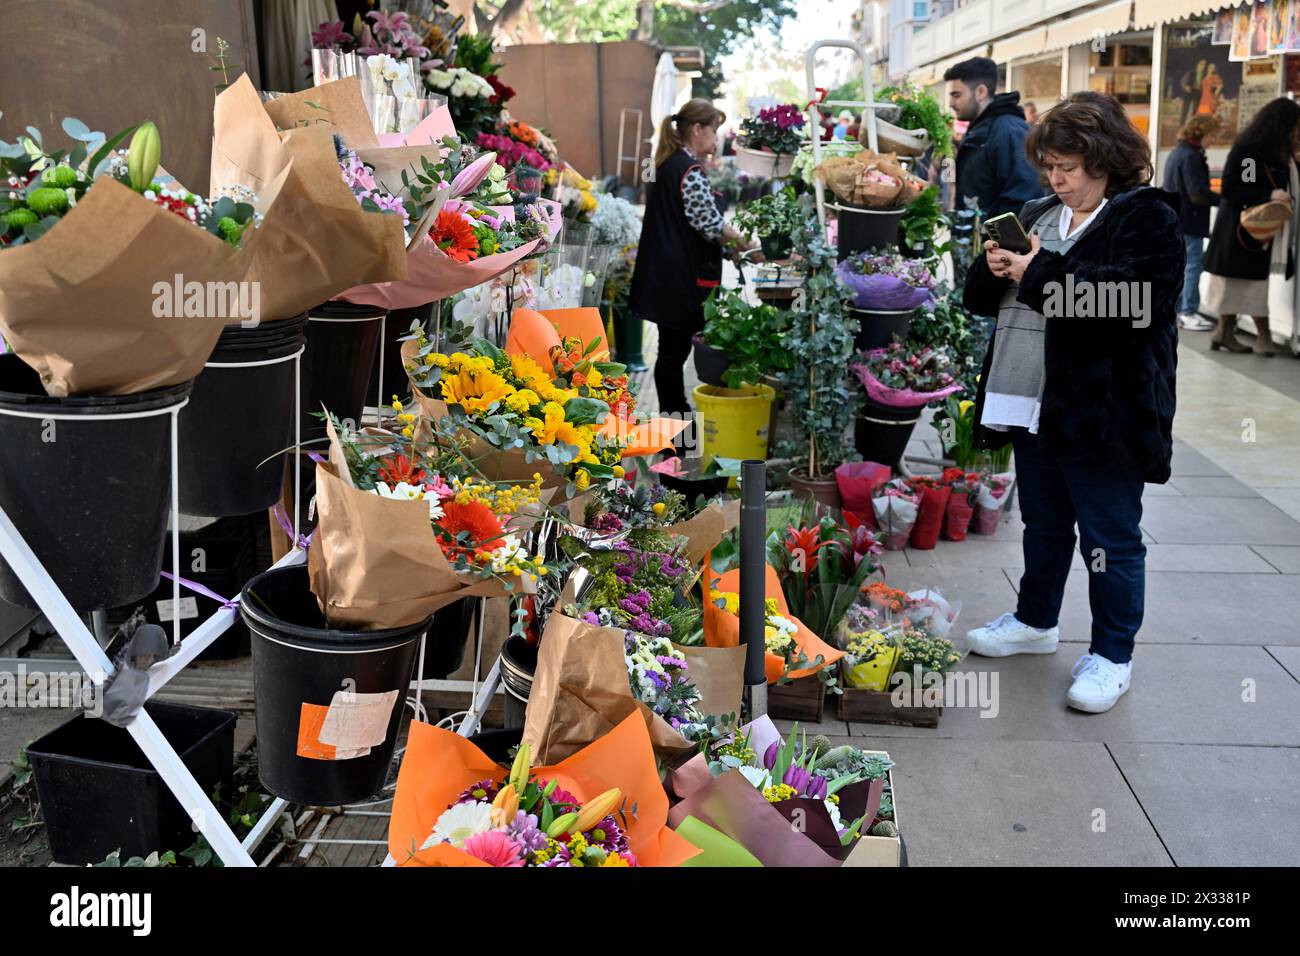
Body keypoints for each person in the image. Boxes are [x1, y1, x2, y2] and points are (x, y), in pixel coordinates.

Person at [962, 92, 1183, 714]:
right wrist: (995, 264)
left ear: (1106, 159)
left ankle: (1113, 656)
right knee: (1046, 523)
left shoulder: (1146, 217)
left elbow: (1131, 306)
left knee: (1109, 536)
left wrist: (1034, 274)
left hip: (1104, 414)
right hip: (1031, 401)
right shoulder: (1036, 210)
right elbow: (981, 301)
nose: (1057, 180)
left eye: (1069, 167)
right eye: (1050, 167)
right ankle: (1036, 622)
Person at [628, 99, 760, 415]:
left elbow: (691, 225)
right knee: (673, 356)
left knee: (670, 354)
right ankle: (677, 437)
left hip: (666, 278)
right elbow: (710, 224)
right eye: (714, 131)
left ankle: (676, 433)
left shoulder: (668, 164)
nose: (717, 140)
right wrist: (746, 243)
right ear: (697, 129)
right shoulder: (688, 169)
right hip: (678, 281)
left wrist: (729, 251)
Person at [1203, 96, 1300, 356]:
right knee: (1250, 285)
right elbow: (1235, 188)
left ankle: (1224, 332)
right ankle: (1262, 337)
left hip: (1252, 233)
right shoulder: (1250, 153)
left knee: (1239, 285)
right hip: (1243, 233)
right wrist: (1269, 195)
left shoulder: (1273, 152)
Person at [944, 56, 1043, 218]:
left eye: (956, 95)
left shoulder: (1010, 131)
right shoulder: (980, 127)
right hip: (975, 239)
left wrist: (997, 240)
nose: (951, 103)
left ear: (981, 92)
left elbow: (1024, 198)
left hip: (993, 241)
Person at [1162, 114, 1221, 331]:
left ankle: (1178, 312)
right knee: (1192, 267)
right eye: (1212, 135)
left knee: (1180, 268)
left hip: (1176, 218)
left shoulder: (1178, 152)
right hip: (1190, 220)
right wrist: (1225, 201)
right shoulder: (1191, 157)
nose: (1213, 140)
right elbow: (1197, 194)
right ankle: (1188, 311)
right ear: (1201, 132)